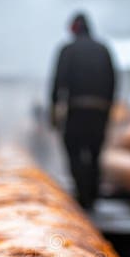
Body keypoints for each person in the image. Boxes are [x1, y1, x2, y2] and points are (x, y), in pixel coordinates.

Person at [50, 12, 116, 209]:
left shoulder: (67, 50)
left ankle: (83, 194)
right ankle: (93, 195)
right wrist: (108, 109)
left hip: (76, 111)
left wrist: (54, 110)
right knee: (95, 154)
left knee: (74, 152)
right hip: (99, 111)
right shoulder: (103, 49)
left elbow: (57, 82)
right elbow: (113, 81)